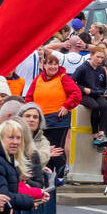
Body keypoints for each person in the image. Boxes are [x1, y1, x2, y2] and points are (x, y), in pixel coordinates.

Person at [25, 50, 82, 179]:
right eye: (50, 64)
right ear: (44, 65)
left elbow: (76, 94)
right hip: (41, 120)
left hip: (58, 119)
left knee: (56, 149)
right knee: (44, 148)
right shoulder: (38, 79)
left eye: (55, 64)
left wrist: (66, 106)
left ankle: (59, 176)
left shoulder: (63, 78)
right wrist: (31, 113)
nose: (53, 67)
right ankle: (46, 176)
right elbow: (29, 98)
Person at [0, 119, 48, 214]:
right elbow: (2, 196)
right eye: (10, 137)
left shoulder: (5, 159)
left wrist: (37, 195)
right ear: (0, 139)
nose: (15, 142)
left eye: (18, 138)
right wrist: (30, 201)